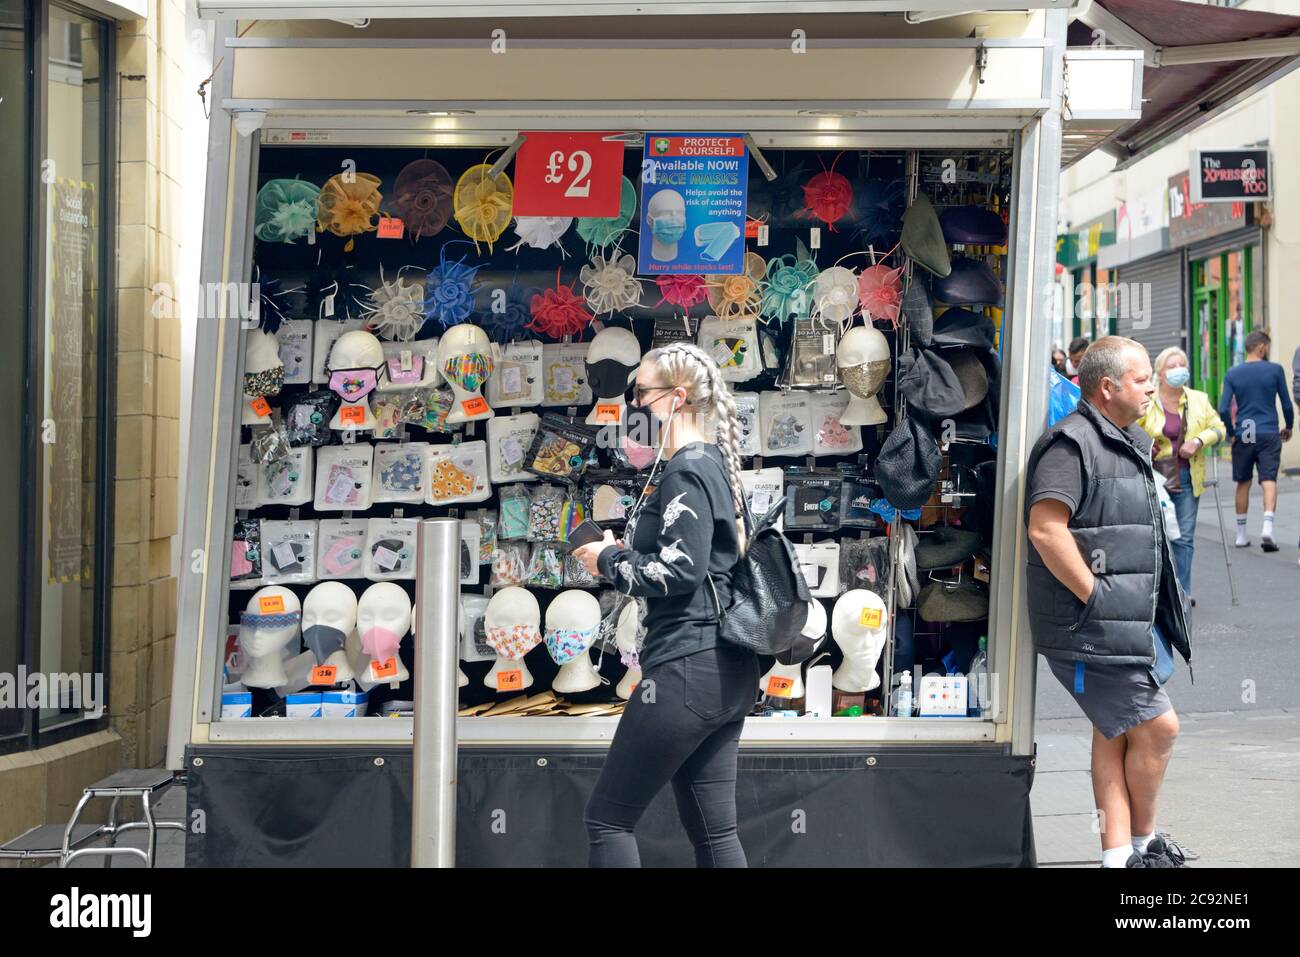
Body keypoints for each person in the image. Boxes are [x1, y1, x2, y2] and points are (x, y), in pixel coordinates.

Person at [571, 342, 756, 867]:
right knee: (715, 834)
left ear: (677, 398)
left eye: (640, 393)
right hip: (724, 668)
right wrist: (623, 551)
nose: (633, 405)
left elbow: (679, 571)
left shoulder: (686, 469)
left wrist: (609, 559)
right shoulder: (711, 465)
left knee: (608, 819)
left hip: (684, 666)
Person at [1026, 336, 1192, 868]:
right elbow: (1046, 531)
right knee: (1159, 727)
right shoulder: (1070, 444)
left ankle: (1120, 856)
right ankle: (1142, 844)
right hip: (1093, 626)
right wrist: (1096, 597)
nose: (1153, 387)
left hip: (1124, 622)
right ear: (1107, 387)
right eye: (1143, 379)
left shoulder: (1120, 438)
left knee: (1114, 732)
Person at [1139, 347, 1226, 598]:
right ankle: (1158, 591)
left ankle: (1181, 592)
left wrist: (1198, 441)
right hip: (1155, 476)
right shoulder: (1148, 398)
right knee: (1156, 535)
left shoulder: (1199, 399)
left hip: (1188, 475)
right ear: (1160, 373)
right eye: (1172, 366)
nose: (1179, 370)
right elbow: (1129, 426)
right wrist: (1146, 442)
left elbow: (1219, 429)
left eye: (1182, 364)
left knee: (1184, 538)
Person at [1217, 329, 1293, 551]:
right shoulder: (1275, 370)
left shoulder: (1233, 373)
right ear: (1261, 347)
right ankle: (1267, 528)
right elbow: (1286, 404)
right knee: (1269, 479)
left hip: (1245, 432)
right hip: (1268, 430)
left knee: (1244, 481)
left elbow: (1223, 408)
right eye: (1267, 346)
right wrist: (1288, 426)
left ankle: (1241, 534)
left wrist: (1232, 432)